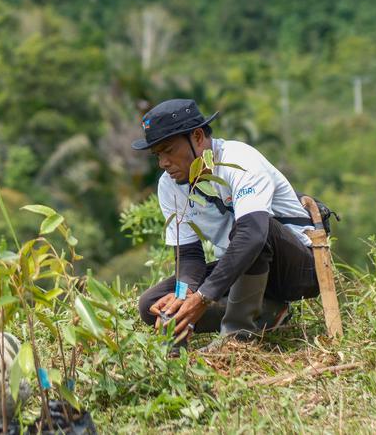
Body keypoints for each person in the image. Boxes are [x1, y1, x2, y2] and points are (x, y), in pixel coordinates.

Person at [133, 98, 321, 350]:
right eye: (158, 155)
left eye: (168, 151)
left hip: (295, 272)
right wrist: (183, 296)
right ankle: (268, 313)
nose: (163, 163)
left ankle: (236, 337)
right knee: (151, 305)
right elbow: (188, 257)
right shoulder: (170, 185)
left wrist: (203, 297)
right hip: (242, 272)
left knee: (250, 231)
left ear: (198, 137)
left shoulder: (240, 161)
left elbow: (253, 234)